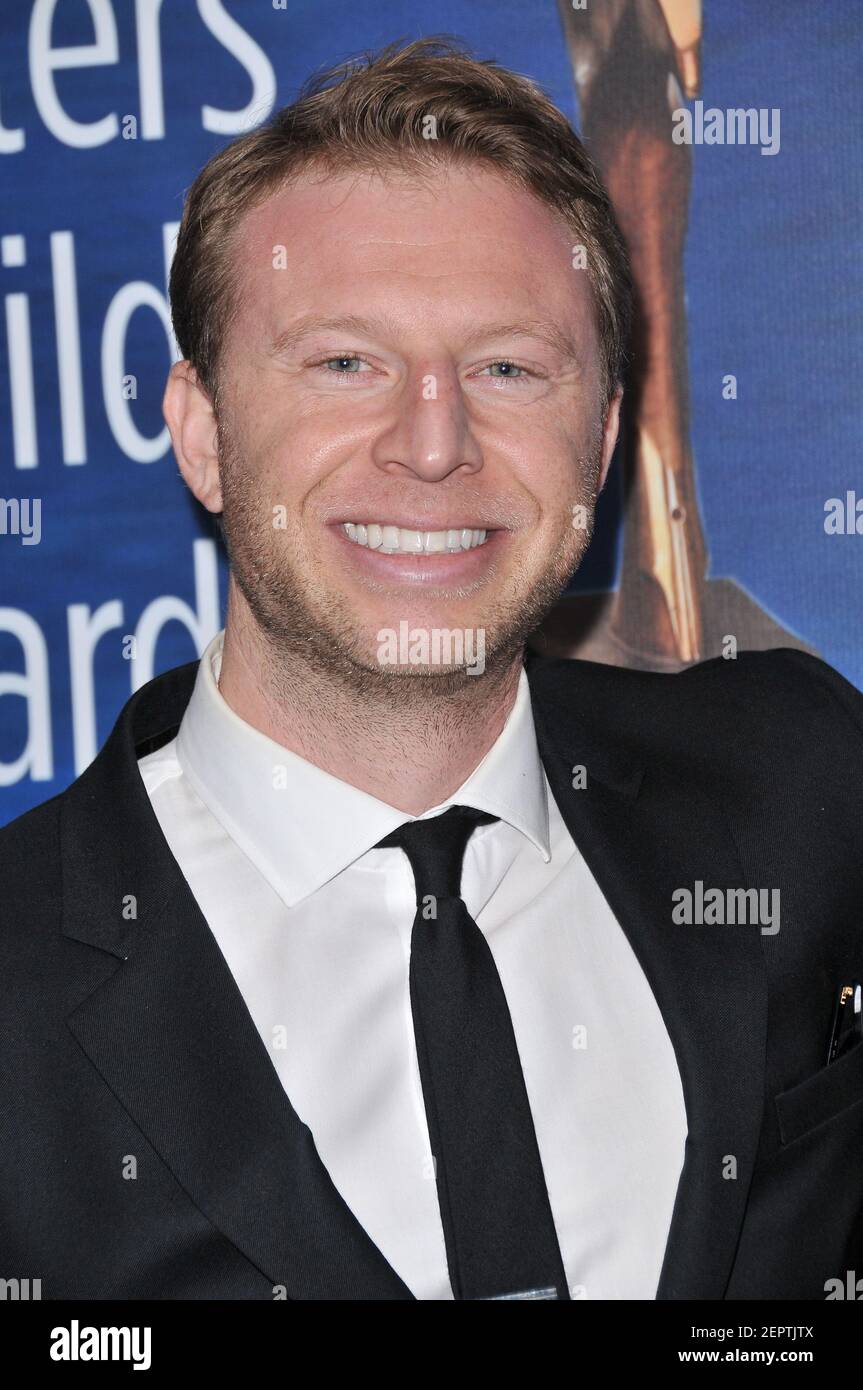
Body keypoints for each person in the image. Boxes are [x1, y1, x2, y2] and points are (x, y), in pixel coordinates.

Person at [1, 36, 861, 1302]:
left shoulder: (804, 789)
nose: (433, 441)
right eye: (344, 361)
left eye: (508, 368)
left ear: (605, 436)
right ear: (202, 434)